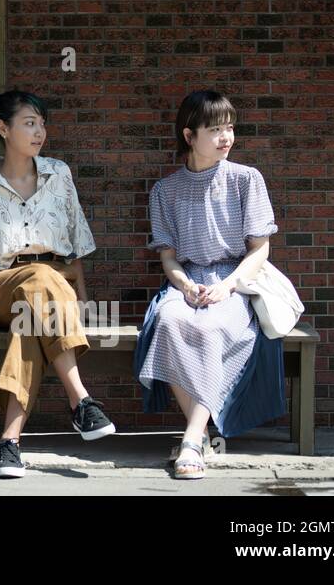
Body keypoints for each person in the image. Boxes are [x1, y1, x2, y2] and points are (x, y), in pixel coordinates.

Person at [0, 90, 115, 479]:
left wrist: (80, 304)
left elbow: (76, 246)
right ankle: (80, 399)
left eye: (42, 124)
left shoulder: (58, 174)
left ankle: (9, 442)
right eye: (30, 123)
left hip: (47, 297)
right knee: (41, 278)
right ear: (3, 128)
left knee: (32, 320)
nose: (39, 131)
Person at [133, 89, 285, 479]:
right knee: (167, 322)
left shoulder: (246, 180)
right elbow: (168, 256)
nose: (226, 137)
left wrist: (229, 286)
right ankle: (198, 435)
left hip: (238, 279)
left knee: (215, 327)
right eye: (216, 129)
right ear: (189, 136)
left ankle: (190, 440)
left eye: (230, 127)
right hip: (187, 280)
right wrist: (183, 285)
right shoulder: (164, 190)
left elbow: (260, 251)